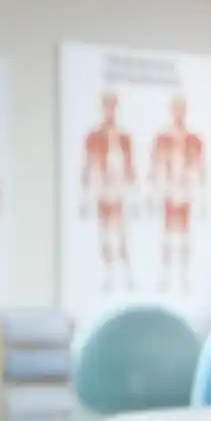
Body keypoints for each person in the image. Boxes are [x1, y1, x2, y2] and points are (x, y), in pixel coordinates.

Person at [149, 92, 207, 294]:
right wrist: (153, 195)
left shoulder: (194, 140)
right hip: (168, 190)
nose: (178, 113)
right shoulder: (162, 139)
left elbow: (201, 169)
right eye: (175, 109)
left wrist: (202, 198)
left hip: (185, 191)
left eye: (181, 109)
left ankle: (183, 277)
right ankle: (165, 276)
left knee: (183, 236)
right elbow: (155, 168)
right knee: (167, 235)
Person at [80, 90, 136, 293]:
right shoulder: (94, 136)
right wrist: (85, 197)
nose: (110, 110)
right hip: (104, 189)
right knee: (105, 233)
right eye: (107, 105)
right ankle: (108, 275)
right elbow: (88, 166)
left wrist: (134, 195)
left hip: (120, 189)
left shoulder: (124, 137)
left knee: (121, 233)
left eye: (113, 106)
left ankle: (126, 274)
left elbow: (130, 167)